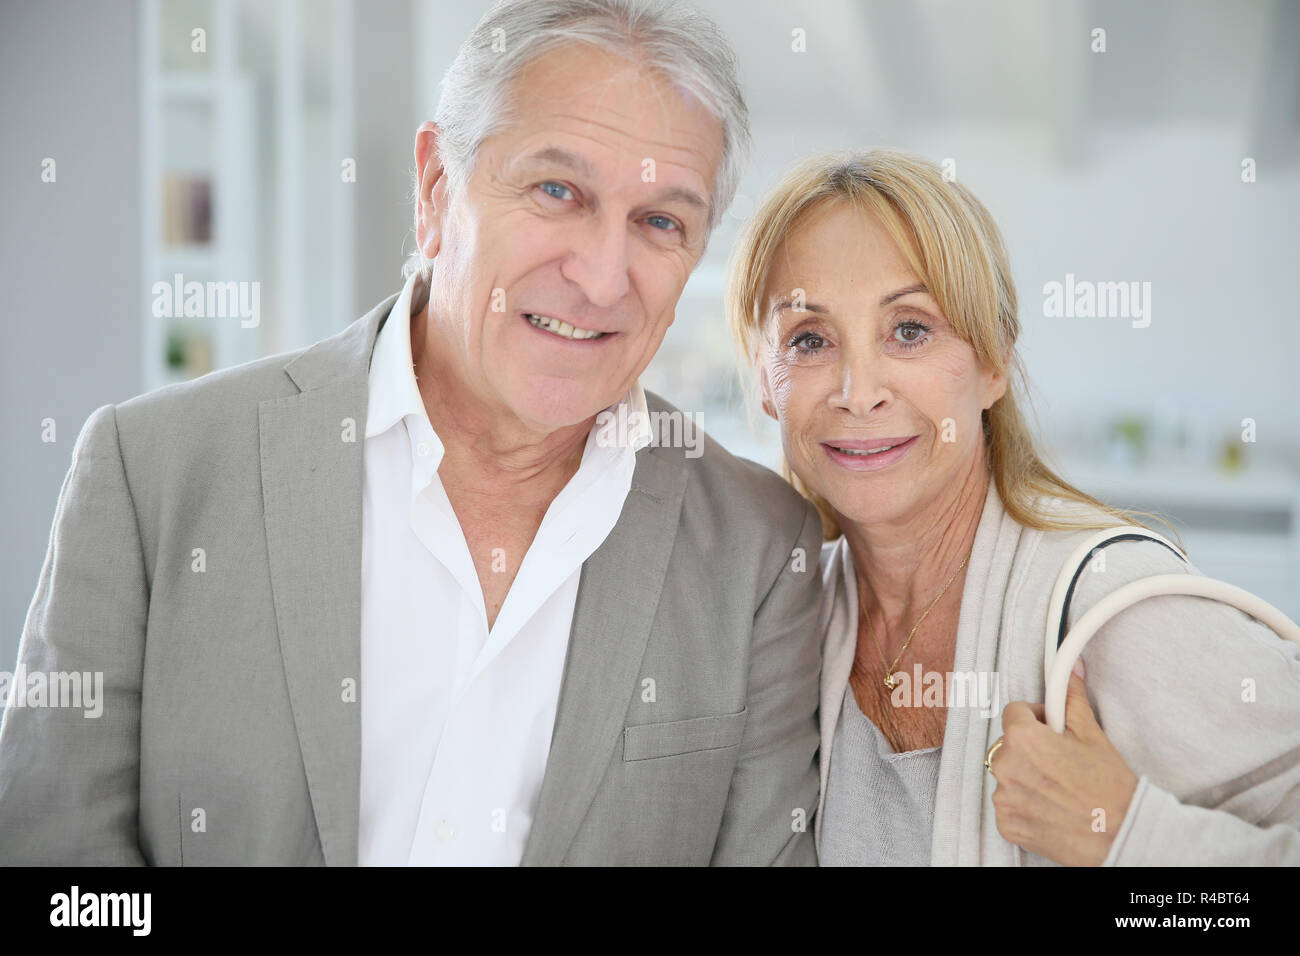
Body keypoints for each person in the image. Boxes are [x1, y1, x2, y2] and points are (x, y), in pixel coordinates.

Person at [0, 0, 823, 866]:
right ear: (436, 187)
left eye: (660, 221)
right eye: (556, 190)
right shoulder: (156, 471)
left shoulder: (762, 552)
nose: (601, 275)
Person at [725, 147, 1300, 865]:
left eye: (910, 329)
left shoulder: (1115, 611)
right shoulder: (793, 623)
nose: (857, 389)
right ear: (764, 378)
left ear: (994, 362)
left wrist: (1123, 838)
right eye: (809, 339)